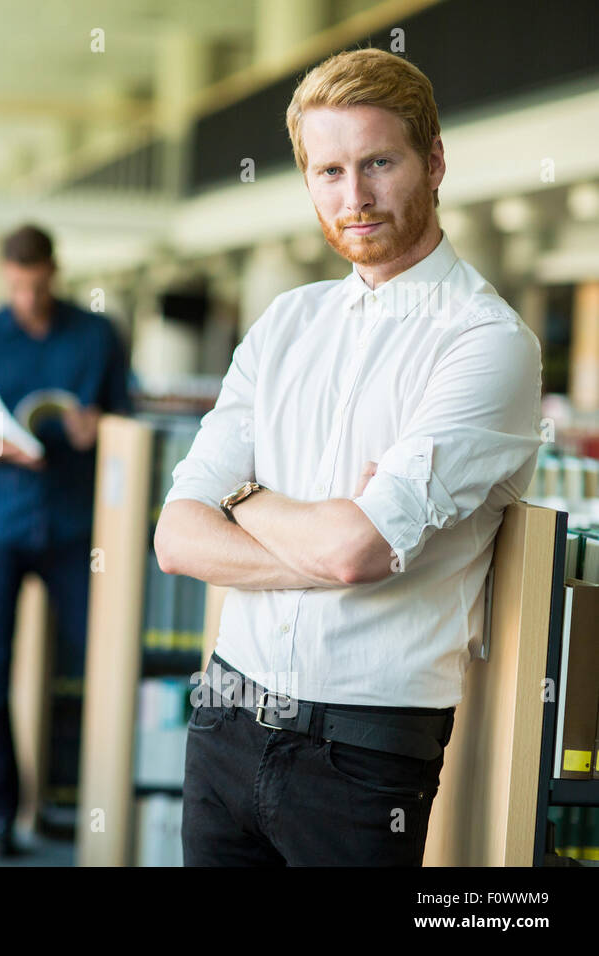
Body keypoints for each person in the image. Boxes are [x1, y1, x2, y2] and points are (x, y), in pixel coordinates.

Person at [155, 48, 543, 866]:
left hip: (363, 751)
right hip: (224, 715)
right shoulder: (286, 323)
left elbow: (357, 549)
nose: (354, 197)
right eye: (328, 170)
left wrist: (245, 497)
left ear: (434, 162)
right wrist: (325, 538)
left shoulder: (486, 344)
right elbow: (176, 539)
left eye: (378, 163)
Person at [0, 223, 132, 856]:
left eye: (38, 283)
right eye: (17, 285)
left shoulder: (97, 334)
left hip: (76, 527)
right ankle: (2, 813)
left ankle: (74, 798)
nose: (27, 297)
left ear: (55, 271)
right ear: (4, 275)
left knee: (90, 664)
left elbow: (125, 420)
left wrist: (95, 426)